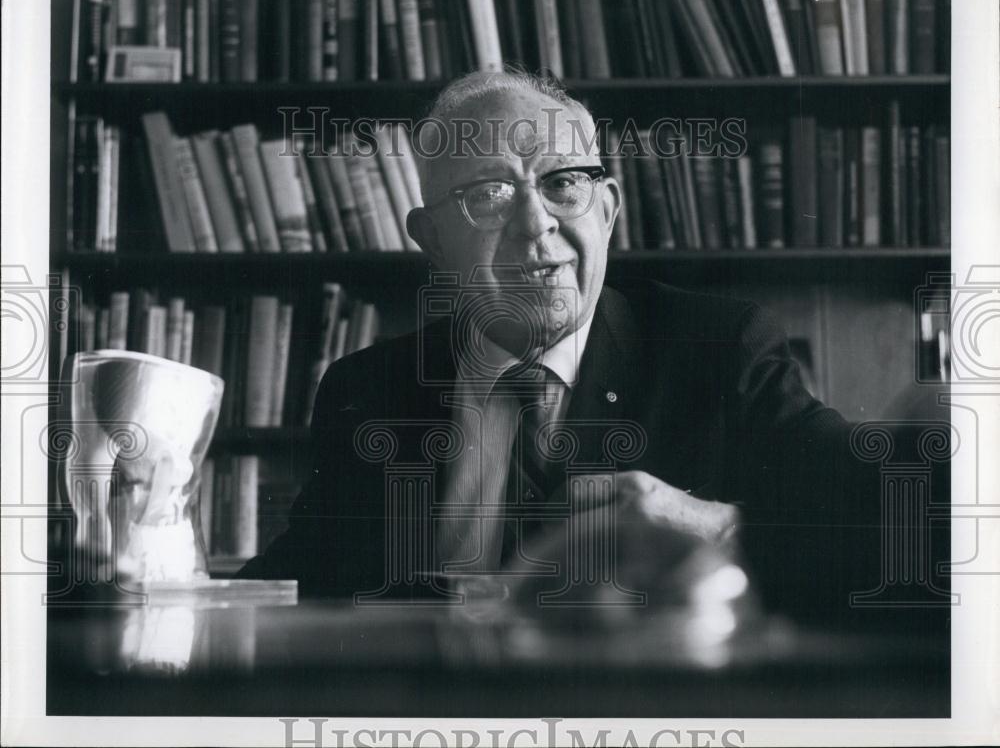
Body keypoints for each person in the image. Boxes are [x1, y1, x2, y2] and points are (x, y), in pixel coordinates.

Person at [238, 70, 942, 627]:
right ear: (432, 240)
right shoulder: (369, 389)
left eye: (563, 184)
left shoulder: (718, 351)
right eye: (487, 194)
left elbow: (889, 520)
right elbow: (302, 581)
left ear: (605, 212)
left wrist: (717, 527)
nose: (534, 225)